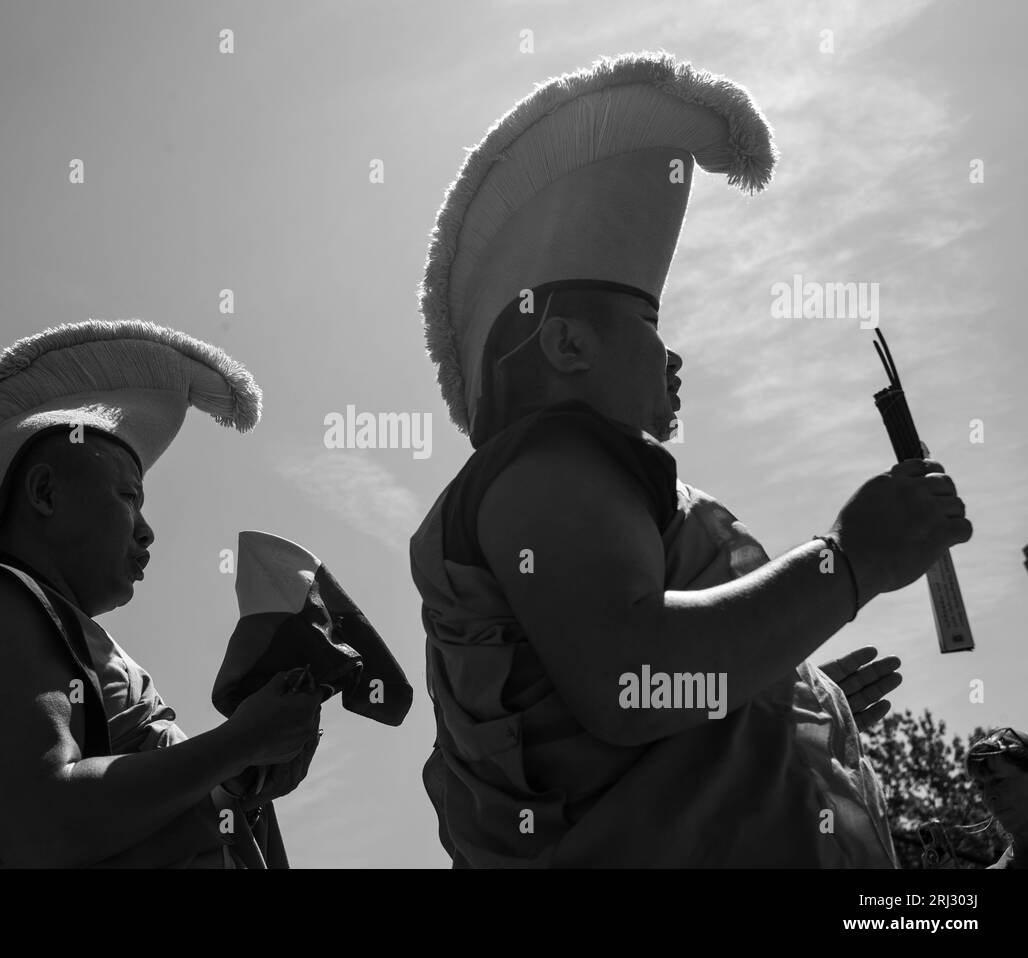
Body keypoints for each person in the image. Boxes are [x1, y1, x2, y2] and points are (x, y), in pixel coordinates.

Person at [409, 52, 972, 867]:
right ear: (567, 343)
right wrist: (847, 563)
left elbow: (655, 704)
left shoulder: (581, 475)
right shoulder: (546, 459)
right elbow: (630, 676)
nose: (672, 362)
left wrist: (780, 698)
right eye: (649, 329)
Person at [0, 319, 324, 868]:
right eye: (128, 496)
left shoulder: (68, 635)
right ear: (45, 493)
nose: (146, 529)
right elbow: (49, 825)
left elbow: (140, 813)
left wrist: (236, 782)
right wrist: (239, 744)